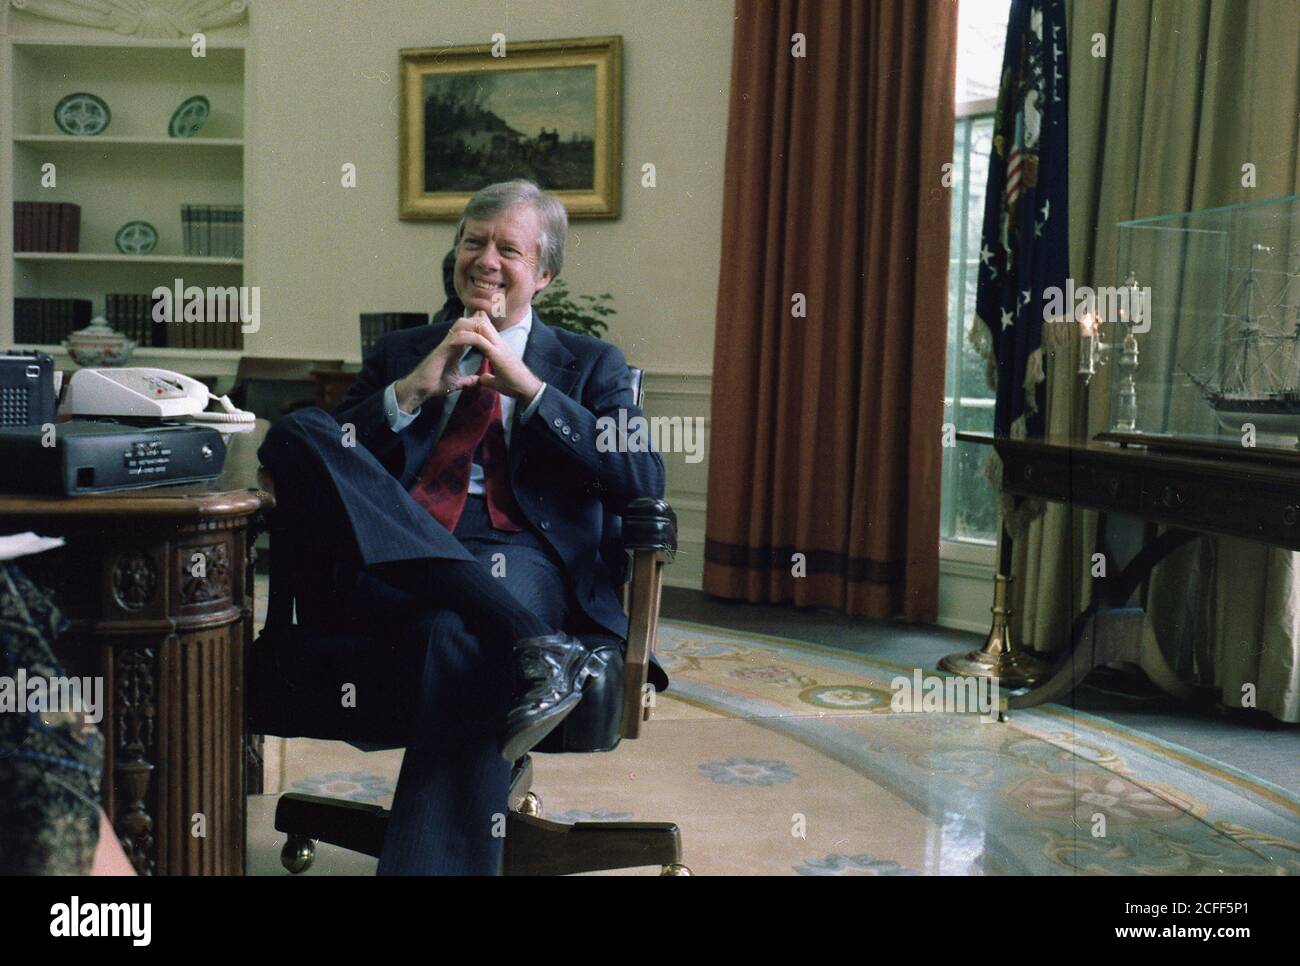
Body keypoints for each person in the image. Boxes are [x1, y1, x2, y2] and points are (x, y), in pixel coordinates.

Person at [255, 179, 666, 875]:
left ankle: (514, 626)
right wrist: (412, 390)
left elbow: (643, 482)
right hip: (388, 558)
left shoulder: (590, 365)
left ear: (543, 275)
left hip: (520, 556)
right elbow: (319, 463)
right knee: (298, 431)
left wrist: (530, 391)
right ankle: (531, 639)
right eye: (474, 241)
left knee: (458, 635)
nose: (485, 258)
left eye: (509, 247)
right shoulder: (401, 352)